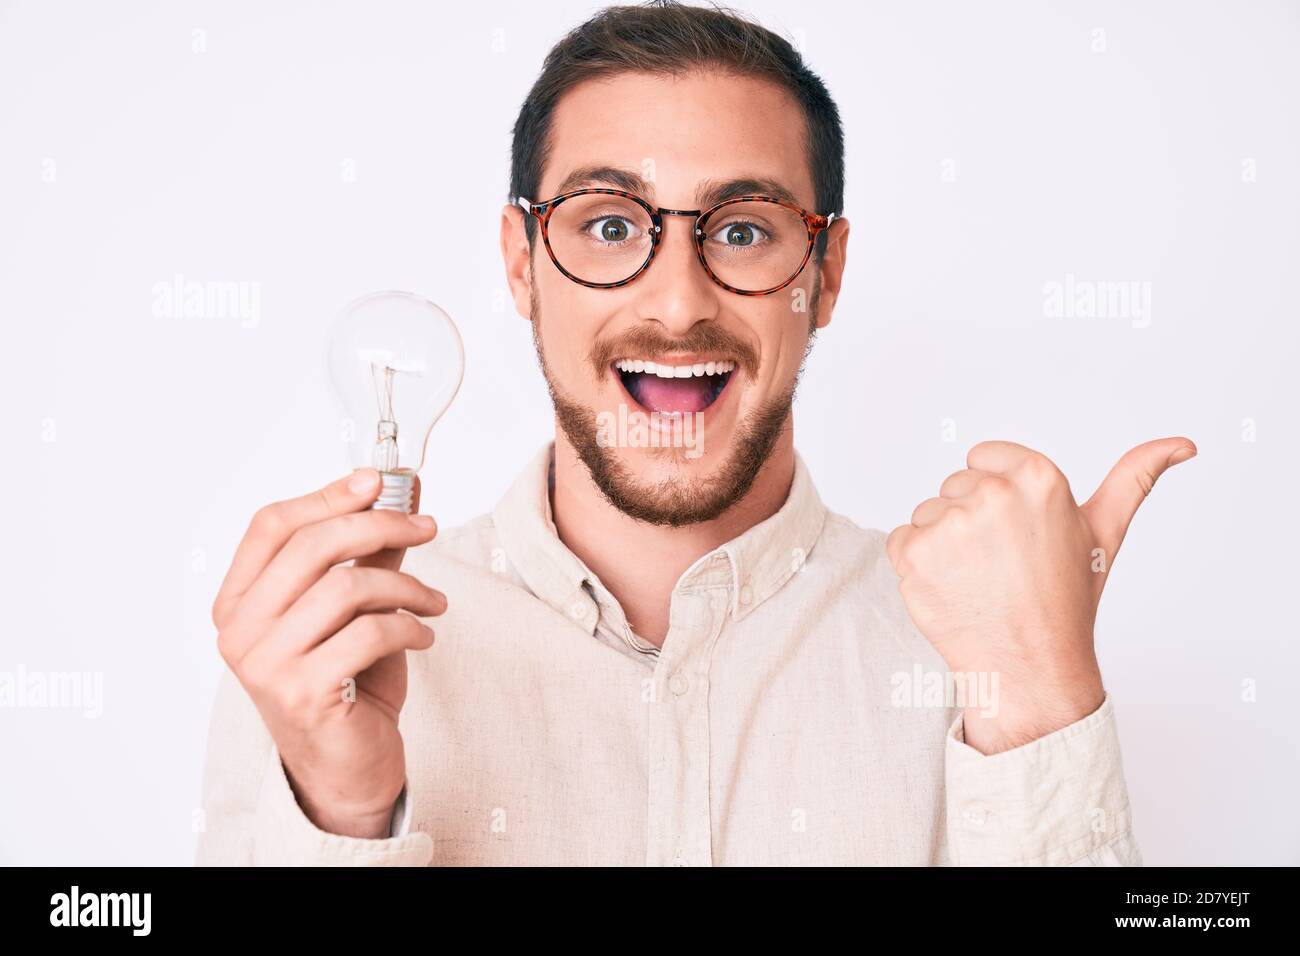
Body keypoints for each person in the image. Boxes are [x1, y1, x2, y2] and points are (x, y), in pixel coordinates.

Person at [196, 0, 1194, 866]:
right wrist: (341, 814)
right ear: (521, 263)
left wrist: (1037, 706)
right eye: (611, 224)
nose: (677, 303)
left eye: (744, 228)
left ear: (826, 273)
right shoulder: (327, 660)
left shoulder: (970, 648)